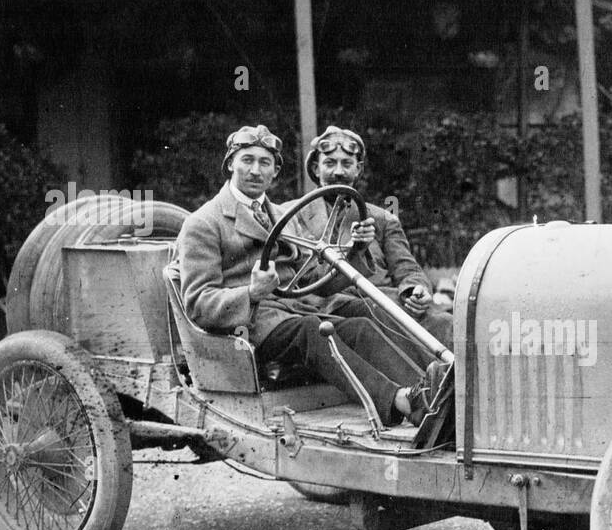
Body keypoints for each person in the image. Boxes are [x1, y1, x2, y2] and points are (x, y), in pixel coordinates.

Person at [175, 124, 445, 428]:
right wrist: (251, 293)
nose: (255, 171)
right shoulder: (203, 223)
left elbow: (319, 282)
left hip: (299, 311)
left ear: (275, 172)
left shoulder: (281, 216)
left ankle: (435, 400)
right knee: (313, 330)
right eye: (247, 160)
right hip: (251, 326)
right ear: (230, 165)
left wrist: (355, 250)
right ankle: (402, 402)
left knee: (359, 326)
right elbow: (198, 303)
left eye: (265, 163)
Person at [298, 125, 454, 352]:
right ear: (316, 167)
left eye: (347, 164)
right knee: (383, 316)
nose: (339, 172)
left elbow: (408, 269)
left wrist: (415, 291)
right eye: (330, 163)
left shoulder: (382, 219)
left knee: (445, 323)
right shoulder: (291, 216)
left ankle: (457, 383)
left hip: (387, 301)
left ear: (358, 170)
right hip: (330, 306)